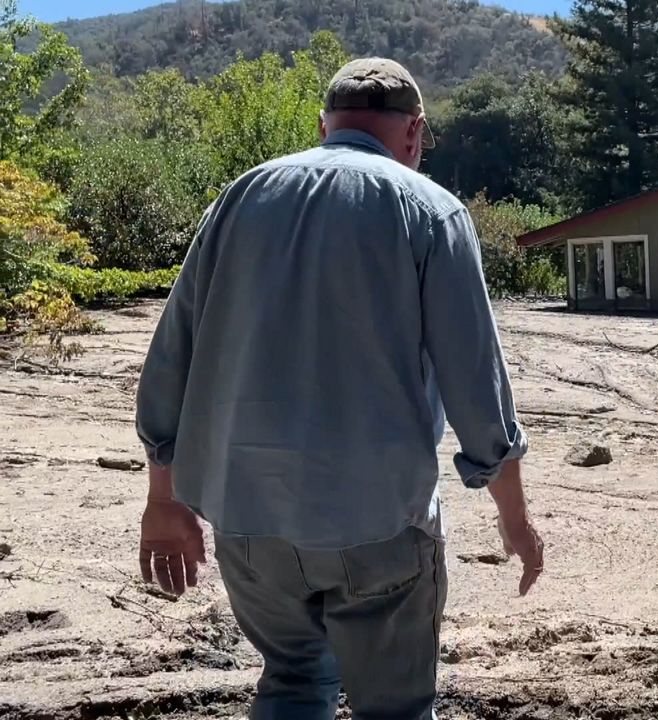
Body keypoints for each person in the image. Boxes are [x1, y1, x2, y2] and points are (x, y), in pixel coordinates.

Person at [133, 58, 543, 720]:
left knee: (293, 684)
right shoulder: (430, 211)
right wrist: (515, 520)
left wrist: (163, 500)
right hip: (378, 522)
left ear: (324, 125)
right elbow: (477, 386)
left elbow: (170, 358)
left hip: (247, 520)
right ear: (414, 131)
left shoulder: (240, 197)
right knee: (395, 708)